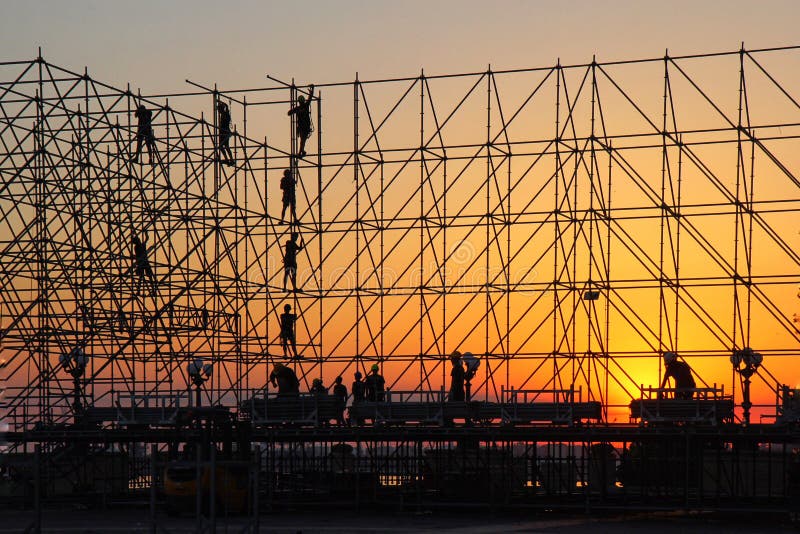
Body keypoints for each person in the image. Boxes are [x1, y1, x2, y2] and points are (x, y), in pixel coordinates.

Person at [287, 84, 315, 157]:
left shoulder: (304, 106)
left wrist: (311, 91)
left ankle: (301, 151)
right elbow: (289, 113)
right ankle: (301, 151)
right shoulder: (302, 107)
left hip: (304, 126)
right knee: (303, 140)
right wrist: (295, 111)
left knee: (303, 140)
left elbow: (310, 98)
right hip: (303, 126)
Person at [216, 100, 234, 166]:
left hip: (225, 132)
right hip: (222, 132)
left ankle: (230, 159)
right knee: (222, 147)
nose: (218, 111)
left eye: (219, 109)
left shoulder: (225, 113)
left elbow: (226, 105)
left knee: (225, 146)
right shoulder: (223, 114)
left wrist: (220, 101)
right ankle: (228, 159)